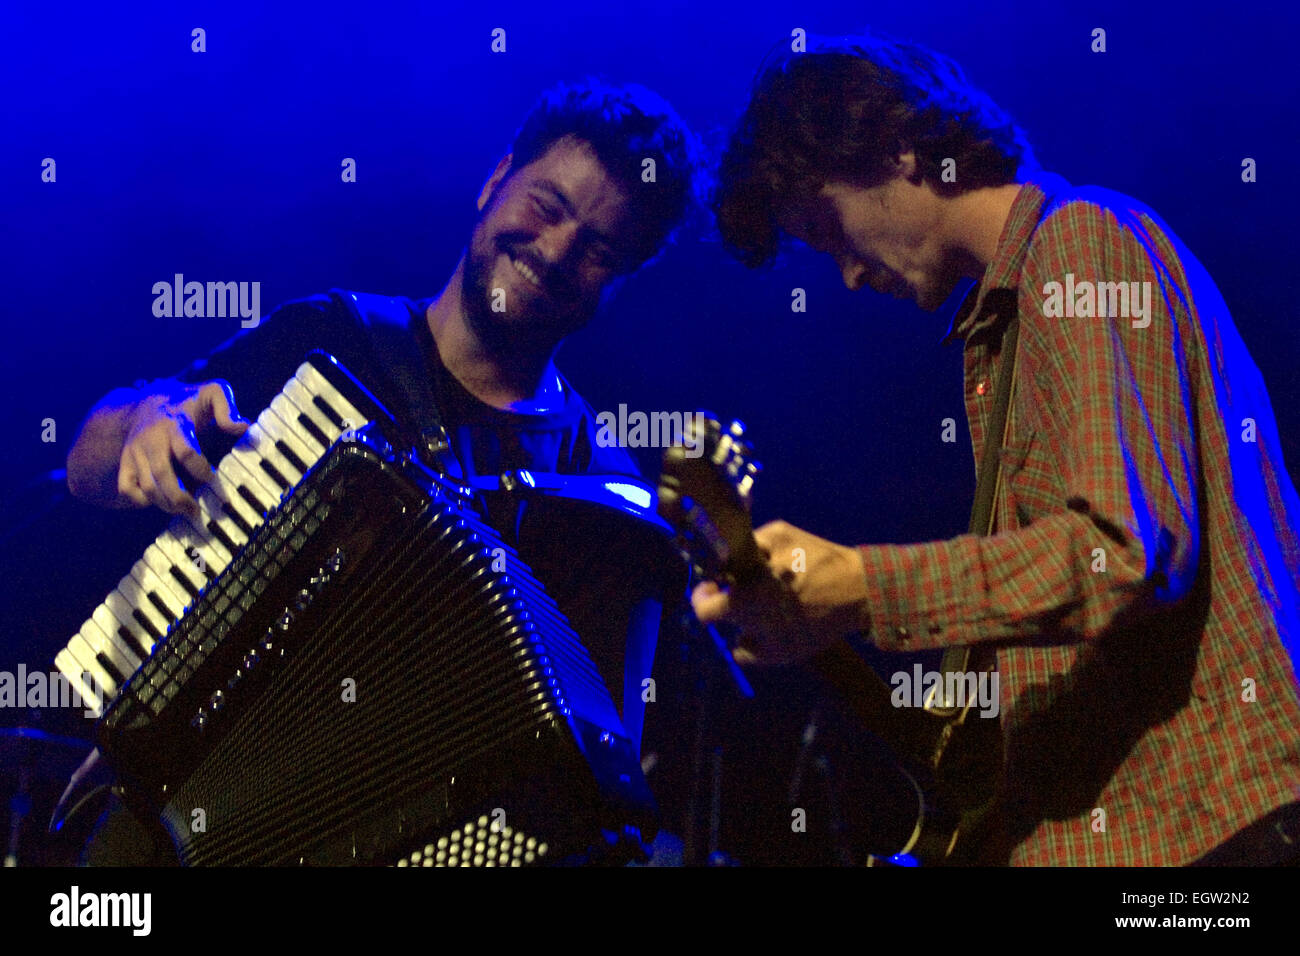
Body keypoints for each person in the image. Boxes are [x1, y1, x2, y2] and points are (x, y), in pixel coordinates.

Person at [60, 79, 699, 863]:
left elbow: (597, 790)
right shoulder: (333, 337)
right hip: (173, 810)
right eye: (546, 204)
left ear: (623, 280)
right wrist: (144, 421)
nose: (556, 252)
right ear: (494, 181)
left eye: (600, 249)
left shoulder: (602, 502)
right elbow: (86, 463)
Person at [702, 31, 1300, 866]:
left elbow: (1121, 556)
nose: (844, 276)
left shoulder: (1079, 244)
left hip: (1210, 835)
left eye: (827, 228)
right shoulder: (1001, 332)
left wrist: (866, 587)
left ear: (900, 149)